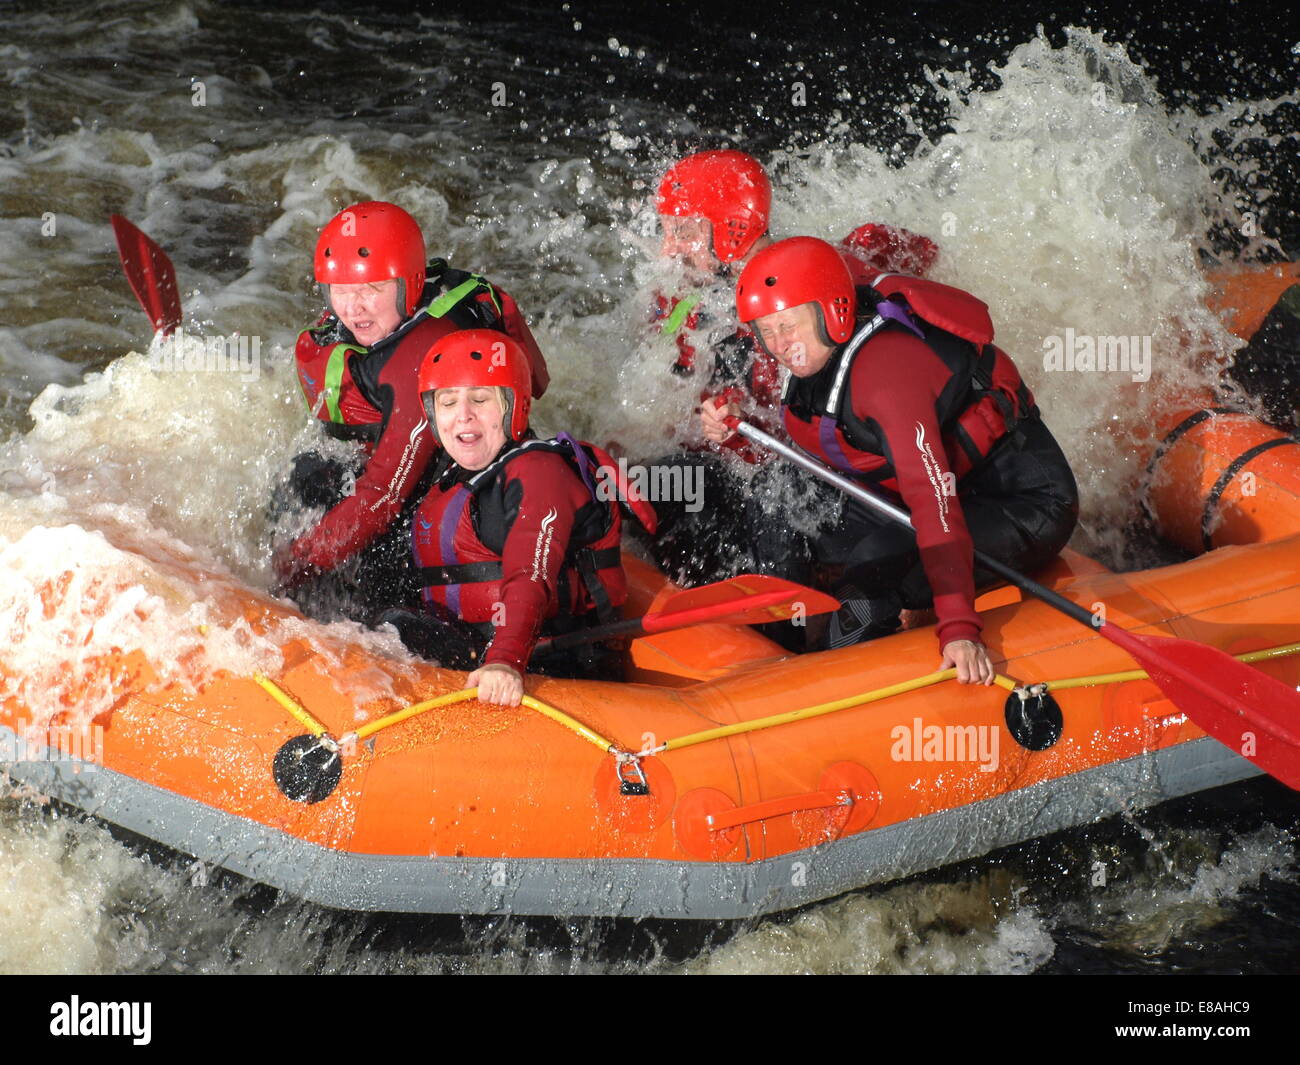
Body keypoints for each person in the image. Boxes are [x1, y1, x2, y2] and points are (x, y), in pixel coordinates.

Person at [702, 236, 1079, 684]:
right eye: (766, 331)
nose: (780, 344)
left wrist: (958, 626)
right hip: (908, 490)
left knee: (869, 573)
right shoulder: (813, 357)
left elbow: (934, 500)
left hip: (1017, 502)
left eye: (788, 326)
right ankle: (781, 652)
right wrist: (740, 436)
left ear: (832, 312)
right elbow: (833, 445)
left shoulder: (886, 379)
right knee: (775, 494)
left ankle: (831, 683)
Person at [647, 149, 940, 588]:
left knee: (775, 489)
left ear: (731, 231)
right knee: (653, 481)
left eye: (684, 230)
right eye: (667, 231)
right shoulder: (698, 306)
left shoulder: (825, 286)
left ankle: (789, 632)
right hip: (778, 475)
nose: (668, 249)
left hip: (857, 492)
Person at [272, 201, 549, 618]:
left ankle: (342, 620)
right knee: (312, 468)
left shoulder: (419, 356)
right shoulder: (435, 300)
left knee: (309, 484)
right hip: (471, 474)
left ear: (411, 282)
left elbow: (382, 499)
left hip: (463, 517)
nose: (352, 308)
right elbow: (539, 380)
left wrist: (295, 563)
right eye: (340, 291)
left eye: (371, 289)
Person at [385, 329, 657, 706]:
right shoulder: (455, 474)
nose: (462, 416)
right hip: (471, 640)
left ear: (515, 406)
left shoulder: (539, 471)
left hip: (554, 661)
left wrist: (506, 660)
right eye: (447, 403)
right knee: (384, 619)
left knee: (393, 628)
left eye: (480, 400)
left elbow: (532, 575)